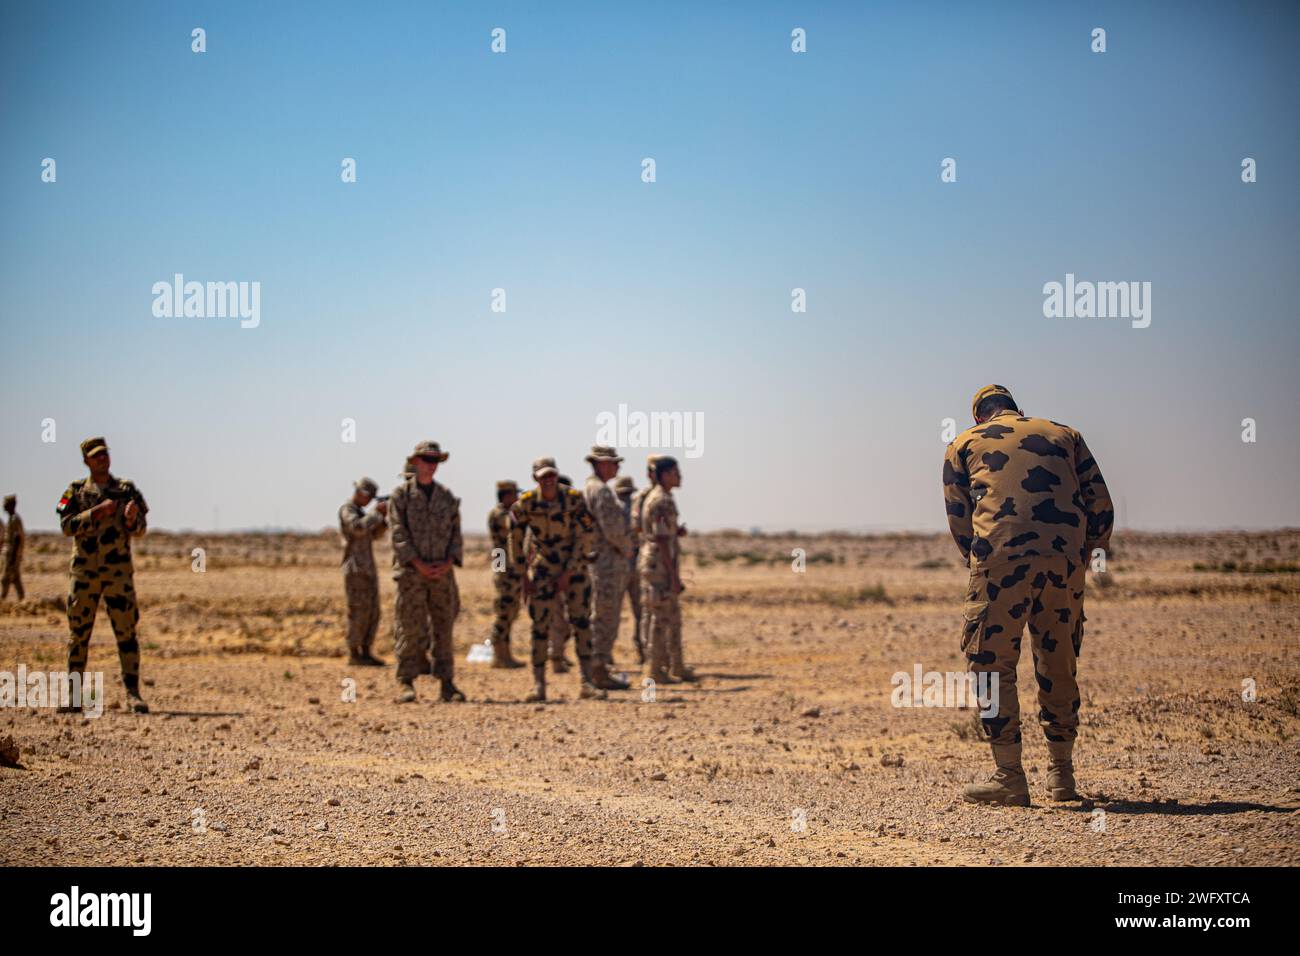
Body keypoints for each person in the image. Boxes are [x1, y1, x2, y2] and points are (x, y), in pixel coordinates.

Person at [942, 384, 1114, 806]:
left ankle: (1009, 777)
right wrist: (1087, 553)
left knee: (990, 661)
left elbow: (959, 516)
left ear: (980, 416)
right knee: (1058, 659)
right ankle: (1062, 779)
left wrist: (980, 559)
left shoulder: (963, 443)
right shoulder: (1065, 434)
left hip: (1000, 559)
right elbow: (1101, 503)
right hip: (1063, 561)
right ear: (1017, 410)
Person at [56, 437, 150, 713]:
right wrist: (95, 513)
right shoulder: (75, 492)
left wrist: (132, 520)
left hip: (117, 573)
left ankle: (133, 694)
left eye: (105, 454)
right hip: (85, 572)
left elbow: (141, 529)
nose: (102, 459)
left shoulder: (126, 490)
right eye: (96, 456)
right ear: (86, 460)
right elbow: (66, 525)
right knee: (78, 635)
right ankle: (74, 698)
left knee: (126, 632)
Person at [509, 458, 605, 701]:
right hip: (543, 570)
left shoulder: (573, 498)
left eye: (551, 475)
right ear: (535, 479)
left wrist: (570, 570)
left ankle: (587, 682)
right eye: (543, 476)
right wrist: (521, 575)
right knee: (539, 626)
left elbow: (587, 534)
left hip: (574, 568)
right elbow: (514, 539)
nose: (548, 480)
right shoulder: (525, 504)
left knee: (581, 623)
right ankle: (539, 685)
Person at [389, 441, 465, 704]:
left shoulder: (446, 497)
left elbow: (456, 534)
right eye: (426, 459)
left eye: (435, 460)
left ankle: (447, 682)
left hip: (442, 574)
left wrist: (448, 562)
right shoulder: (401, 497)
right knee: (410, 626)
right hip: (412, 574)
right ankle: (406, 682)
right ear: (416, 462)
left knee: (443, 626)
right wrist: (418, 563)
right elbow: (398, 534)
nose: (431, 465)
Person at [639, 456, 693, 684]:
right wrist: (673, 576)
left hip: (660, 563)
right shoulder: (661, 500)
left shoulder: (664, 498)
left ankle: (675, 666)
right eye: (674, 472)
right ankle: (654, 669)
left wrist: (675, 533)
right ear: (663, 475)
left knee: (671, 615)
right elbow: (660, 540)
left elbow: (663, 533)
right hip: (660, 567)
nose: (679, 476)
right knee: (660, 617)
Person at [583, 446, 633, 689]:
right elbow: (612, 529)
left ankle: (596, 667)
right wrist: (626, 547)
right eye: (613, 463)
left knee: (601, 614)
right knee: (606, 616)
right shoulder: (600, 491)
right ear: (601, 464)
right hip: (607, 562)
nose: (617, 467)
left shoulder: (589, 488)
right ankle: (597, 669)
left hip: (598, 560)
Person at [339, 477, 387, 666]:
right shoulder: (348, 510)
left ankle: (366, 650)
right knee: (358, 609)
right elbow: (357, 528)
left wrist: (383, 520)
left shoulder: (361, 513)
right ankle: (354, 652)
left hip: (367, 567)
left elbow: (375, 535)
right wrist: (376, 514)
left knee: (372, 611)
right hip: (355, 568)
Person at [486, 479, 525, 668]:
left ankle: (505, 654)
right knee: (504, 608)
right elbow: (513, 527)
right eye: (514, 494)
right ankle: (498, 654)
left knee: (511, 610)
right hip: (502, 563)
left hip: (508, 563)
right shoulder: (499, 514)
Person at [613, 475, 643, 663]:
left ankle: (605, 654)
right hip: (636, 566)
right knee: (641, 613)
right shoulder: (637, 508)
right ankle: (643, 651)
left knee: (611, 613)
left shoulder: (611, 509)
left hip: (616, 567)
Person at [1, 494, 24, 601]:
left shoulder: (15, 519)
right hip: (10, 552)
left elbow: (17, 538)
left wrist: (13, 557)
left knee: (5, 577)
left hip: (12, 553)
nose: (3, 506)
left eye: (5, 504)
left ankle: (2, 598)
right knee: (15, 577)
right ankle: (21, 598)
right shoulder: (11, 519)